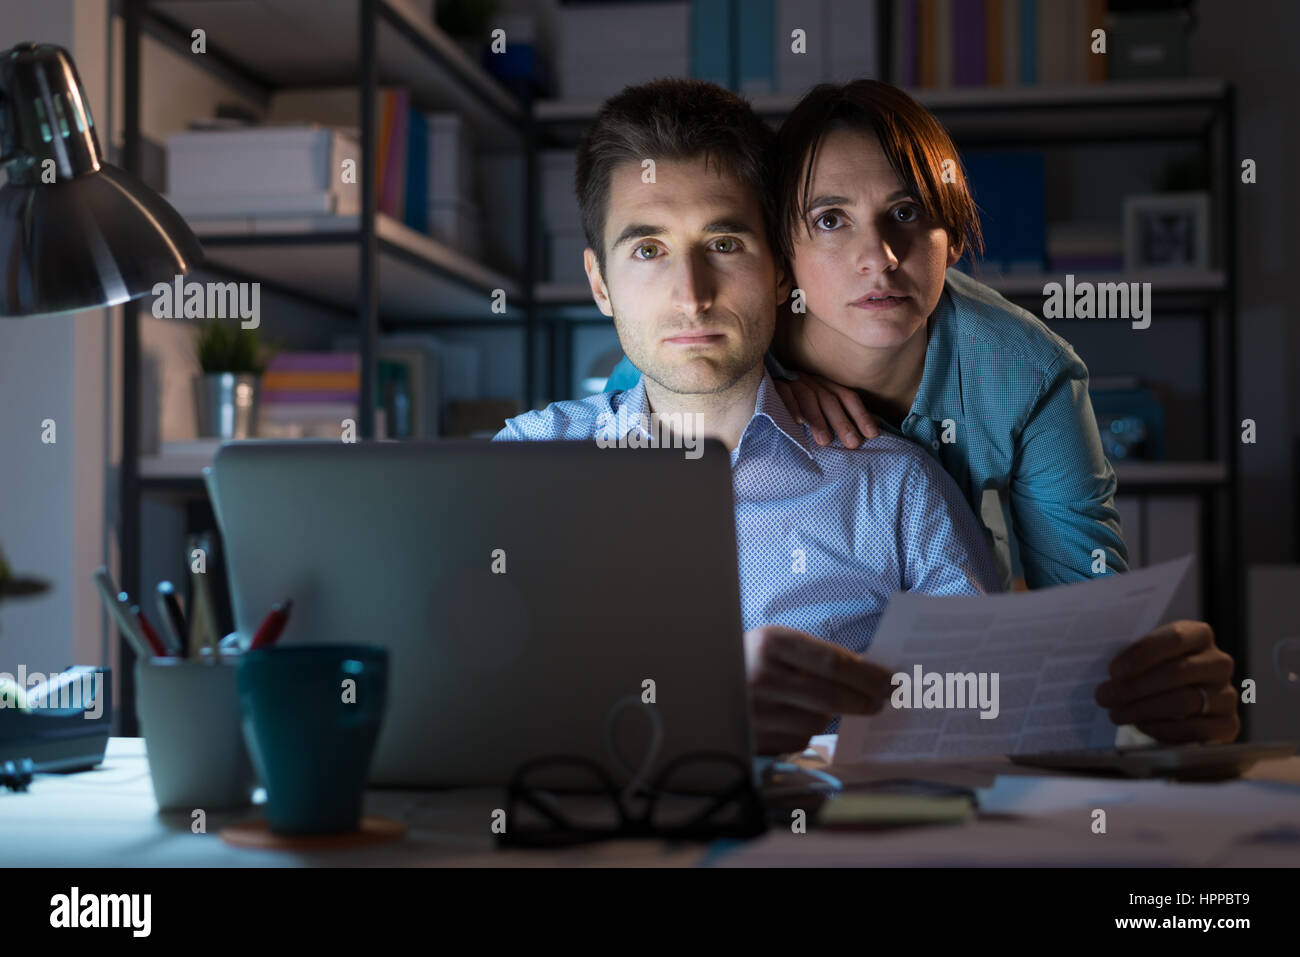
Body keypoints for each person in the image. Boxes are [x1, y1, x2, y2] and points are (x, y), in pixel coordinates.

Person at [504, 78, 1239, 752]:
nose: (878, 257)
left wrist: (1152, 693)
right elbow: (663, 383)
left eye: (908, 213)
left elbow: (1067, 663)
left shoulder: (983, 413)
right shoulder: (547, 453)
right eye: (830, 219)